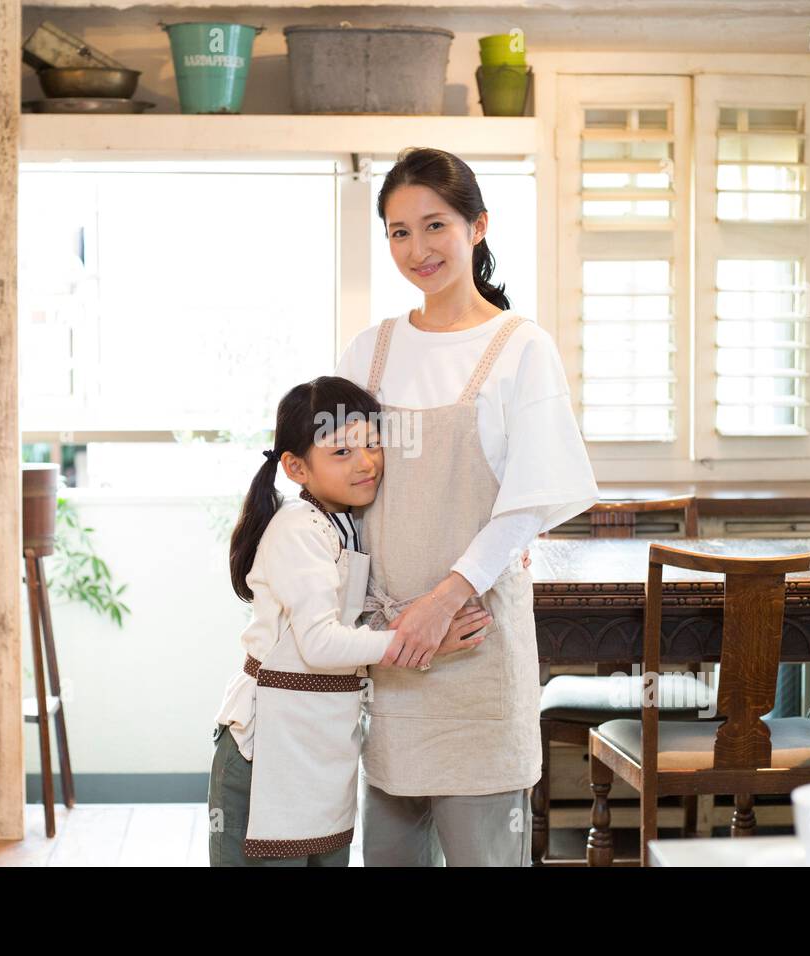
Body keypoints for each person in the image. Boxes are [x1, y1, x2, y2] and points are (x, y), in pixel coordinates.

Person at [335, 147, 600, 866]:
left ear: (477, 226)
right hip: (393, 644)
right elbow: (335, 494)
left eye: (434, 226)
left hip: (474, 640)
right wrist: (380, 625)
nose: (417, 249)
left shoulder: (522, 350)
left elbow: (527, 505)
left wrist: (444, 601)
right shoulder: (369, 352)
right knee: (390, 850)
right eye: (397, 231)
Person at [207, 375, 492, 866]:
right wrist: (418, 640)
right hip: (269, 749)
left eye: (373, 445)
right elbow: (319, 643)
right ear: (296, 467)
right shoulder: (299, 528)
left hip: (321, 747)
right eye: (342, 452)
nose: (366, 463)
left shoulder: (348, 523)